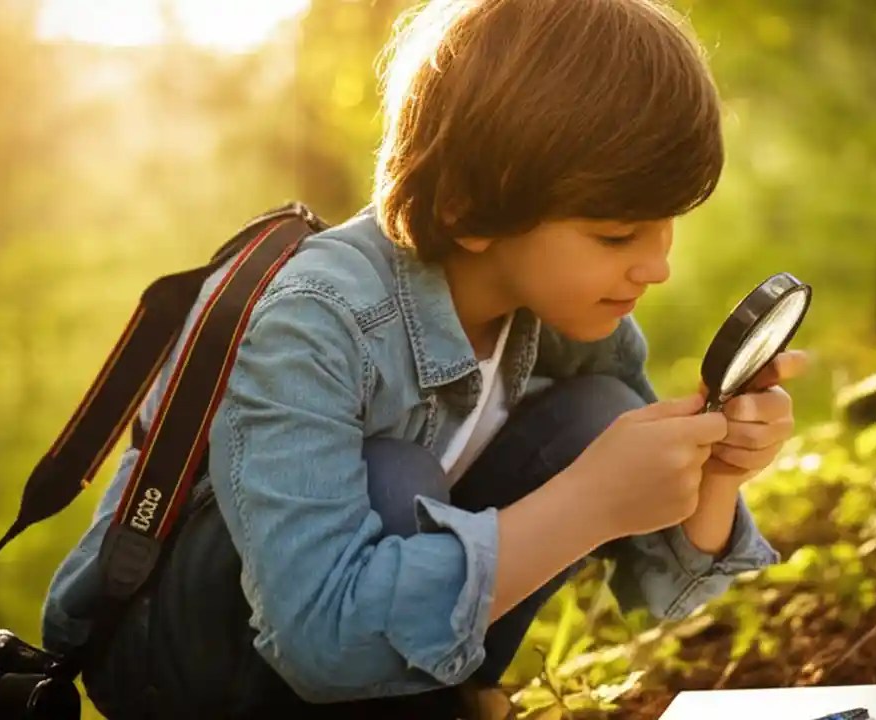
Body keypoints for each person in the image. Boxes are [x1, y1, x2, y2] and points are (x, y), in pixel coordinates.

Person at [41, 0, 807, 717]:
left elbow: (669, 580)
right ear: (469, 209)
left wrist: (716, 474)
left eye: (665, 226)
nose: (657, 267)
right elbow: (318, 638)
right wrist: (588, 504)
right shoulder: (317, 320)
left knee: (603, 415)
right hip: (179, 657)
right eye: (615, 236)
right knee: (397, 476)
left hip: (353, 637)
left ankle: (440, 700)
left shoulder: (582, 321)